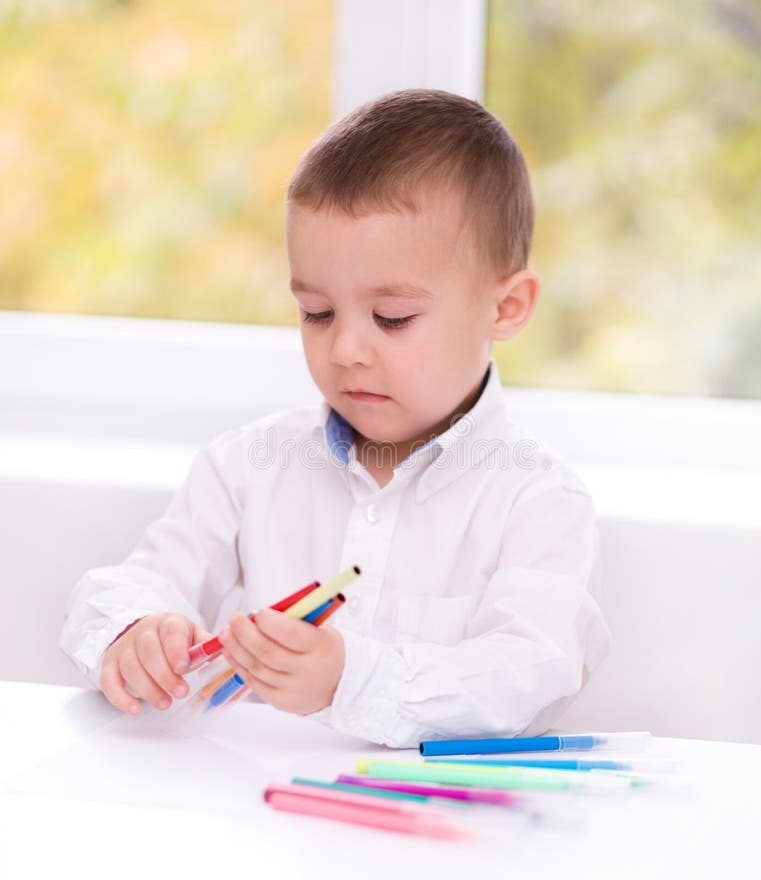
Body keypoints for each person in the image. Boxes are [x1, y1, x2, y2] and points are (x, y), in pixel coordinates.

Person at [60, 88, 610, 747]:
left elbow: (529, 674)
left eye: (392, 318)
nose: (346, 349)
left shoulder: (537, 501)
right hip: (260, 818)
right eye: (317, 312)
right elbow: (129, 585)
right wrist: (133, 631)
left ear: (507, 308)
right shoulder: (246, 467)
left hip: (441, 832)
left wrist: (355, 681)